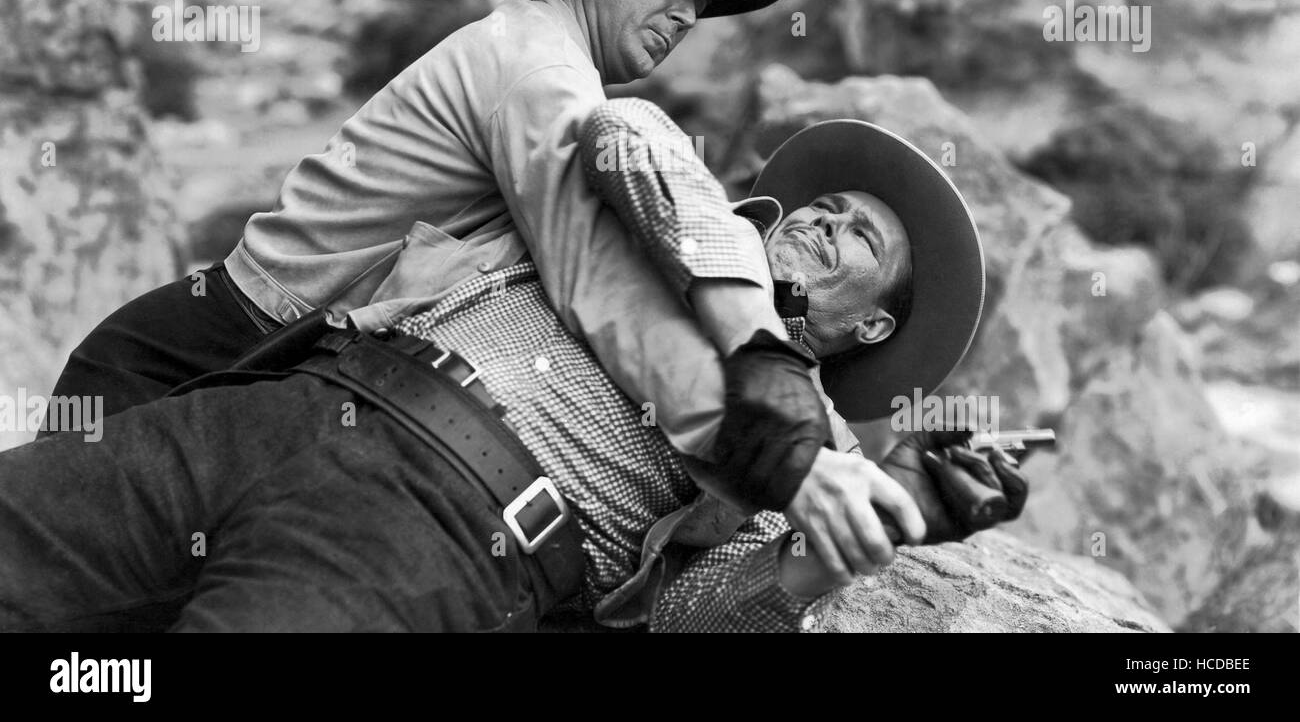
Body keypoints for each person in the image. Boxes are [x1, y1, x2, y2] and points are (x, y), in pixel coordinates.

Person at [0, 104, 1021, 632]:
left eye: (857, 241)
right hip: (303, 403)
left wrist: (834, 552)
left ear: (873, 329)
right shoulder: (672, 223)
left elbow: (690, 617)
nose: (823, 222)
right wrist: (753, 322)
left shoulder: (824, 462)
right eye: (826, 206)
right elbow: (623, 133)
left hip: (447, 530)